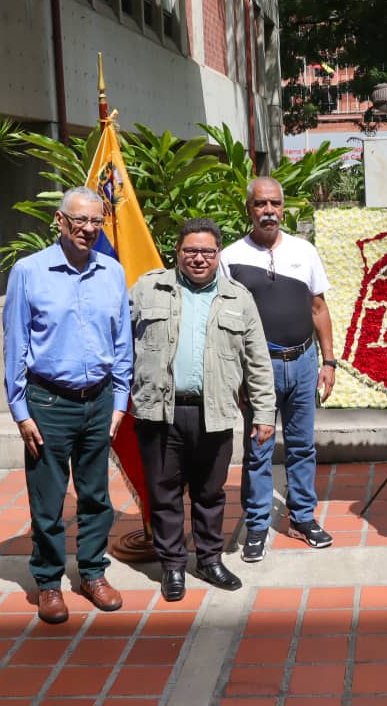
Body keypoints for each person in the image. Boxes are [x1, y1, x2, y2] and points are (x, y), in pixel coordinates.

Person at [2, 186, 131, 624]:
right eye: (80, 221)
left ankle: (93, 573)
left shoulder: (112, 271)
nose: (89, 229)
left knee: (97, 497)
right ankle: (49, 582)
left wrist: (119, 401)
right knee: (49, 499)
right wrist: (20, 411)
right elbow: (15, 344)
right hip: (48, 403)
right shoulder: (29, 272)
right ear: (60, 221)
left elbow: (122, 341)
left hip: (98, 402)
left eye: (97, 221)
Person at [130, 218, 276, 601]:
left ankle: (209, 560)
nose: (198, 259)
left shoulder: (238, 297)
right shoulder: (148, 289)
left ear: (218, 255)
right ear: (176, 252)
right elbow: (117, 344)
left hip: (213, 413)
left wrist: (263, 413)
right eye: (190, 251)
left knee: (210, 494)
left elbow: (257, 360)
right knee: (164, 494)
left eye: (207, 252)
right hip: (160, 413)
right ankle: (173, 566)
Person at [221, 177, 336, 562]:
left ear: (283, 209)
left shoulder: (304, 251)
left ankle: (302, 517)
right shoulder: (231, 256)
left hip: (303, 362)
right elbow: (224, 318)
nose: (268, 210)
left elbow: (319, 309)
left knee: (303, 446)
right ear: (249, 209)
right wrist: (234, 376)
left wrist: (329, 361)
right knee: (258, 448)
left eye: (274, 204)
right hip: (258, 370)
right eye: (260, 204)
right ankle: (256, 525)